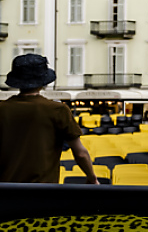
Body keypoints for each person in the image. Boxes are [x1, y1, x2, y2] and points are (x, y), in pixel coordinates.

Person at [0, 54, 99, 184]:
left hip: (6, 191)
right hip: (44, 192)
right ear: (43, 82)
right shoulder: (57, 109)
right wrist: (92, 178)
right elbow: (80, 153)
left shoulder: (2, 108)